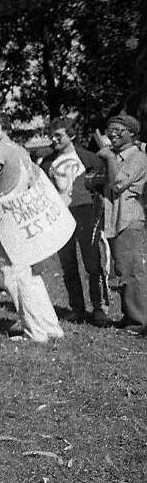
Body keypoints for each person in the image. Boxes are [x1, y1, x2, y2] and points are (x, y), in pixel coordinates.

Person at [0, 109, 63, 343]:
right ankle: (50, 326)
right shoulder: (20, 149)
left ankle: (34, 331)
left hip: (6, 214)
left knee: (13, 274)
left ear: (3, 127)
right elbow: (35, 179)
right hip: (24, 214)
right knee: (31, 273)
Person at [41, 117, 110, 327]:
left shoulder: (89, 158)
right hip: (61, 218)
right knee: (68, 265)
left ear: (71, 135)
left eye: (58, 135)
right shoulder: (47, 163)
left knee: (93, 264)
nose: (53, 140)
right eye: (51, 136)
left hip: (87, 214)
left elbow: (104, 184)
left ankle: (99, 309)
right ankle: (77, 309)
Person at [93, 113, 147, 332]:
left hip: (128, 219)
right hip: (113, 218)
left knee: (132, 271)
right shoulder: (115, 156)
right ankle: (129, 315)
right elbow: (96, 180)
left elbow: (117, 184)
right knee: (122, 269)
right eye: (110, 131)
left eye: (118, 130)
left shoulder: (138, 157)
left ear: (132, 134)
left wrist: (108, 157)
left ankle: (139, 322)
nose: (112, 134)